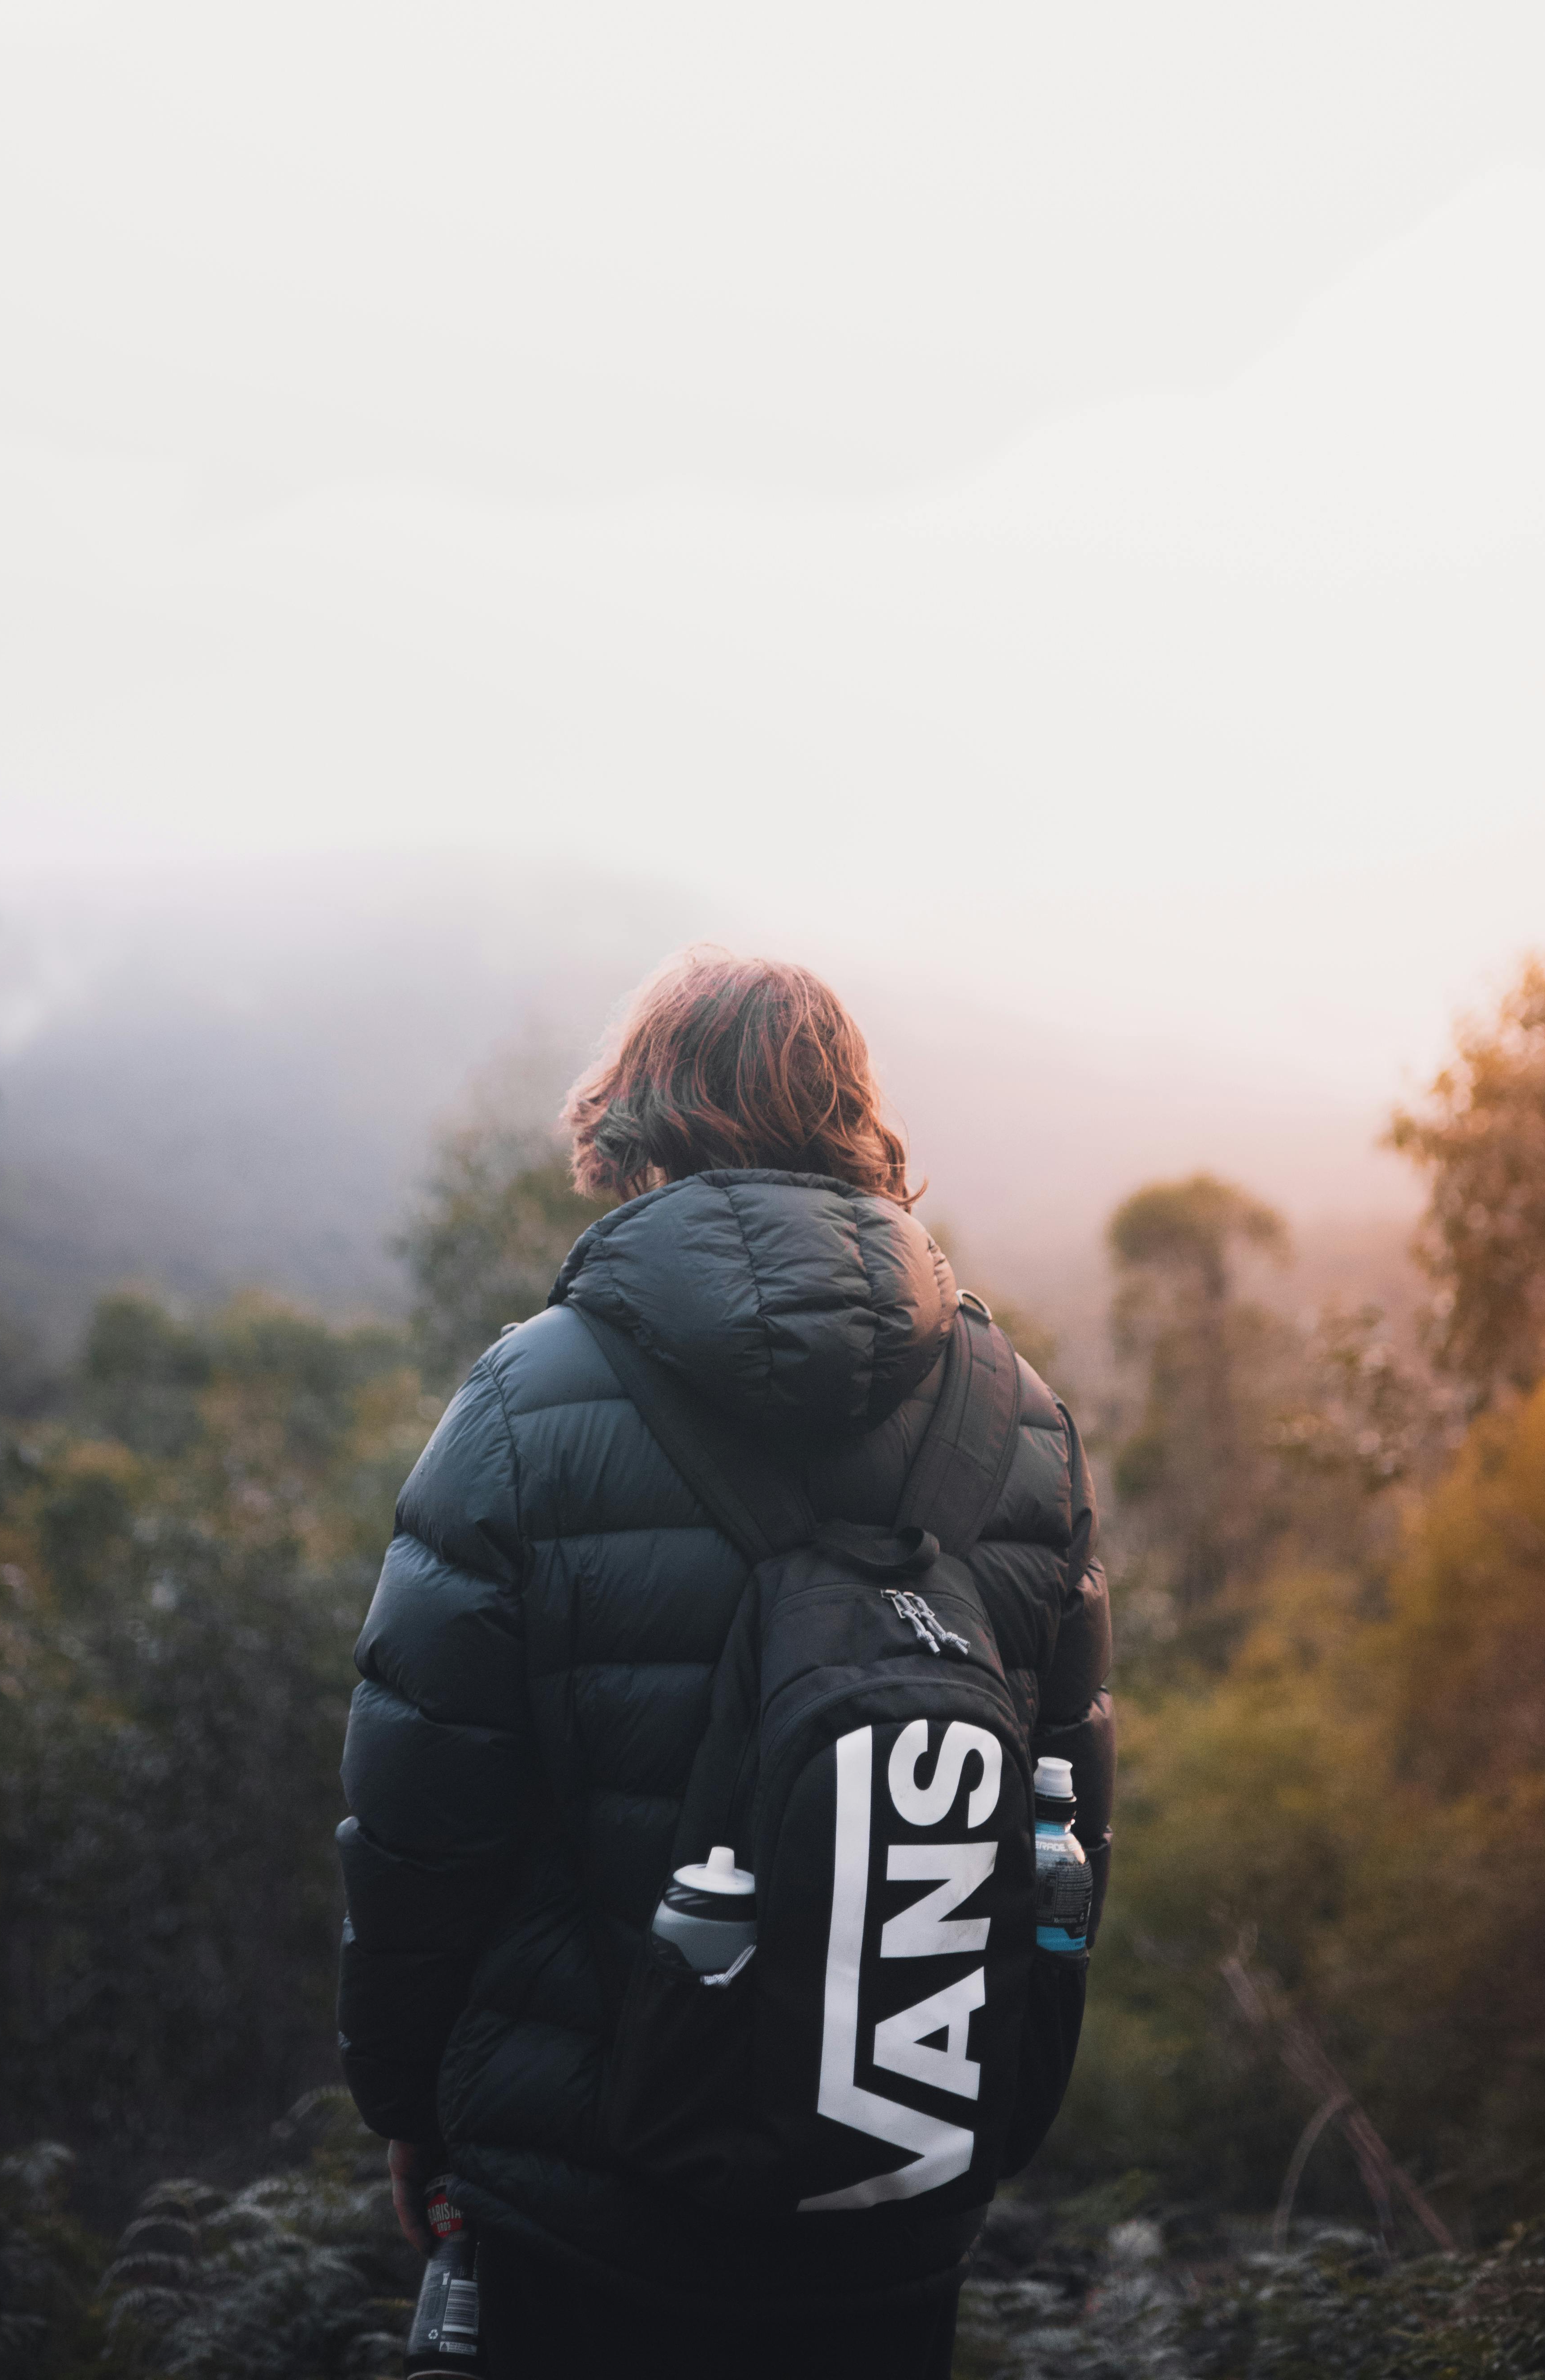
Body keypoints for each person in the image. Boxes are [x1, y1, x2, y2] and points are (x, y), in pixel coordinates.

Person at [336, 952, 1112, 2380]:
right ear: (859, 1123)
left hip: (586, 2200)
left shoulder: (523, 1404)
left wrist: (407, 2106)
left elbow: (420, 1828)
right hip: (890, 2196)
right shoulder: (1025, 1426)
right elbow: (1066, 1823)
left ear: (635, 1123)